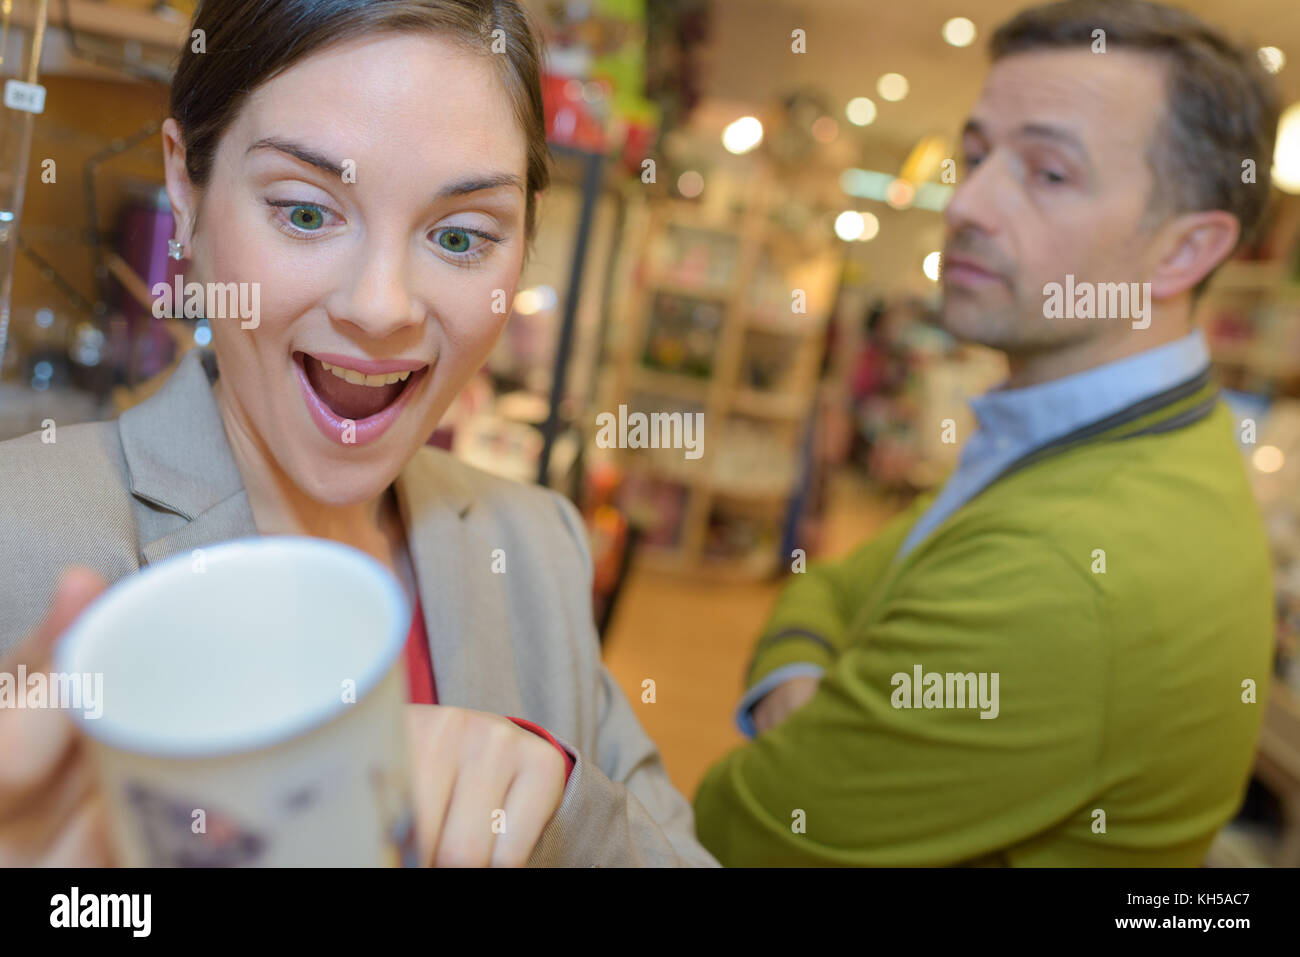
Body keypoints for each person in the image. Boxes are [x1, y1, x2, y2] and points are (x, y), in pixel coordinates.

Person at [0, 0, 716, 868]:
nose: (381, 307)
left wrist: (554, 805)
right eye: (306, 213)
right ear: (185, 190)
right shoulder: (25, 538)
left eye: (458, 237)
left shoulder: (535, 548)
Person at [694, 0, 1280, 866]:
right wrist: (810, 682)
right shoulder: (1096, 435)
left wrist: (812, 697)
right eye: (974, 156)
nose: (965, 203)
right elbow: (846, 584)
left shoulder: (1071, 560)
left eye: (1047, 173)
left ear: (1183, 253)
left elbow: (735, 829)